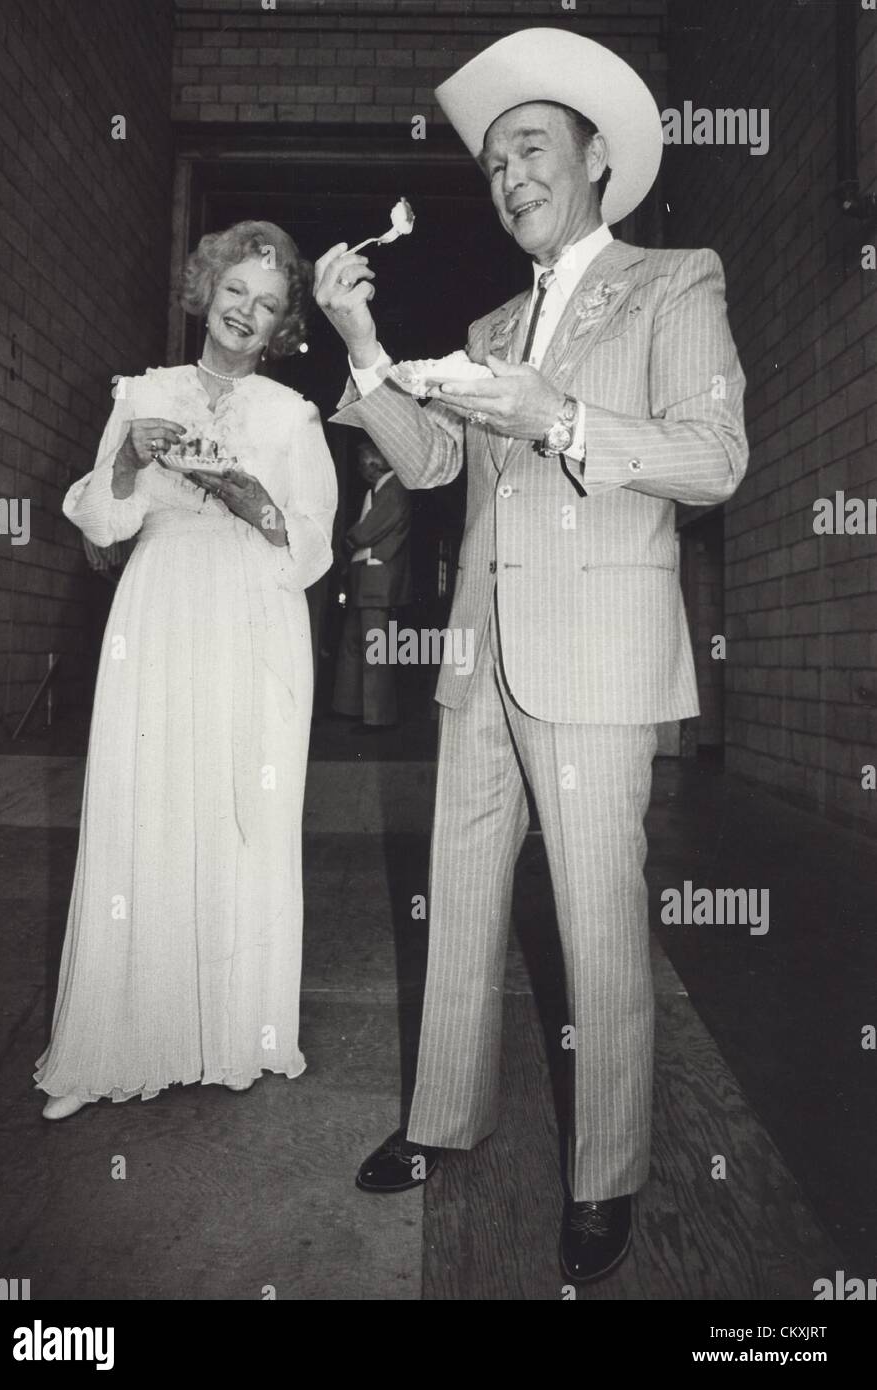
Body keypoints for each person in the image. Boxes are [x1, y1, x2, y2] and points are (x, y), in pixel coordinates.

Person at [314, 29, 747, 1283]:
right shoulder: (493, 320)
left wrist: (556, 414)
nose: (507, 175)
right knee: (457, 893)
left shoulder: (676, 281)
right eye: (495, 159)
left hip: (601, 654)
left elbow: (711, 459)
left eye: (530, 148)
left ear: (595, 160)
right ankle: (441, 1118)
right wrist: (358, 344)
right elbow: (441, 463)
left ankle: (603, 1174)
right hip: (481, 654)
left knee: (596, 919)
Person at [35, 220, 337, 1119]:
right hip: (159, 606)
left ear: (284, 326)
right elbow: (100, 526)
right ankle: (105, 1048)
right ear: (206, 289)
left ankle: (234, 1035)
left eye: (270, 305)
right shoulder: (143, 392)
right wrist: (129, 458)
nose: (247, 312)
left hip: (253, 613)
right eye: (236, 290)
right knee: (145, 803)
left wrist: (251, 499)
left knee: (242, 809)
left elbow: (315, 545)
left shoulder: (292, 416)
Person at [332, 434, 412, 731]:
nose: (361, 467)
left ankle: (377, 717)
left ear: (375, 462)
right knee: (354, 644)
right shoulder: (381, 489)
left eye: (364, 460)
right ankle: (350, 707)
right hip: (365, 578)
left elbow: (367, 532)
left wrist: (347, 540)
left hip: (378, 581)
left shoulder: (394, 488)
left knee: (373, 650)